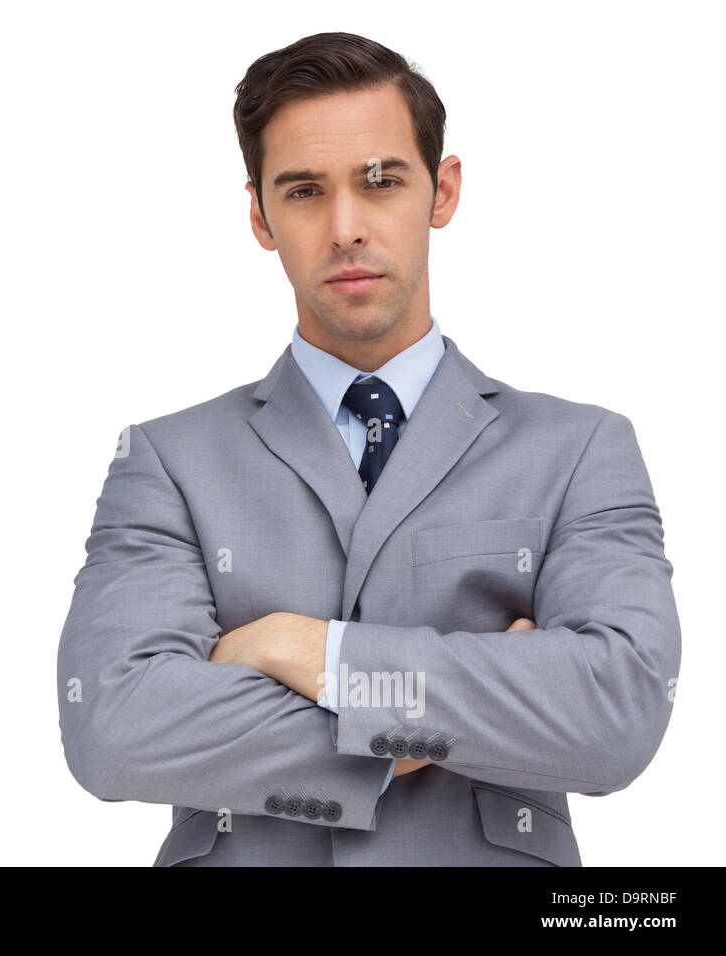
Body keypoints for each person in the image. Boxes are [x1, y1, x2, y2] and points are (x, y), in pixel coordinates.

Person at [56, 32, 679, 866]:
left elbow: (616, 716)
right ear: (260, 216)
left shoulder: (579, 450)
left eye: (381, 181)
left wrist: (311, 653)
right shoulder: (166, 461)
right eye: (306, 191)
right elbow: (114, 730)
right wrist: (464, 707)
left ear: (442, 190)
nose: (346, 227)